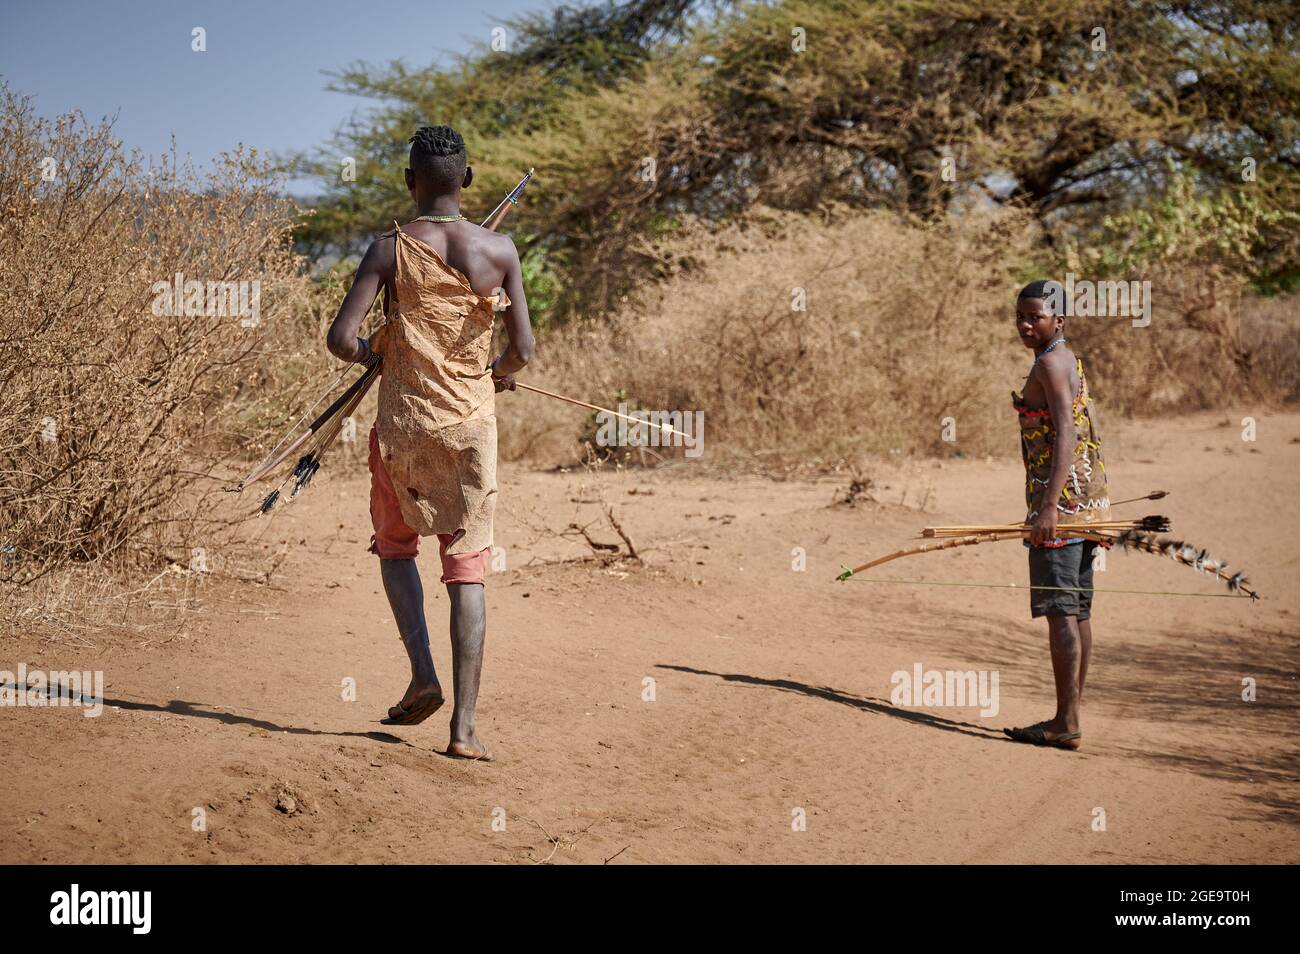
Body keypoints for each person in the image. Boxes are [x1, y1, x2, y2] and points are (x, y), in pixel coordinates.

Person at [326, 125, 534, 761]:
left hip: (403, 428)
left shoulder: (389, 249)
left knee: (396, 547)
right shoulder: (500, 250)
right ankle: (464, 730)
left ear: (410, 181)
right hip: (471, 428)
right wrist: (492, 378)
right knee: (467, 570)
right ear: (466, 181)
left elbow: (340, 339)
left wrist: (381, 355)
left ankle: (422, 674)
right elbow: (523, 352)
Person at [1004, 280, 1110, 751]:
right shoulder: (1065, 358)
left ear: (1059, 320)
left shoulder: (1049, 362)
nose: (1026, 325)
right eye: (1021, 317)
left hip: (1062, 505)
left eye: (1036, 317)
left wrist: (1048, 505)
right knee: (1077, 610)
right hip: (1087, 500)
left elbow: (1065, 429)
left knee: (1062, 611)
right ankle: (1068, 715)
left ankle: (1065, 722)